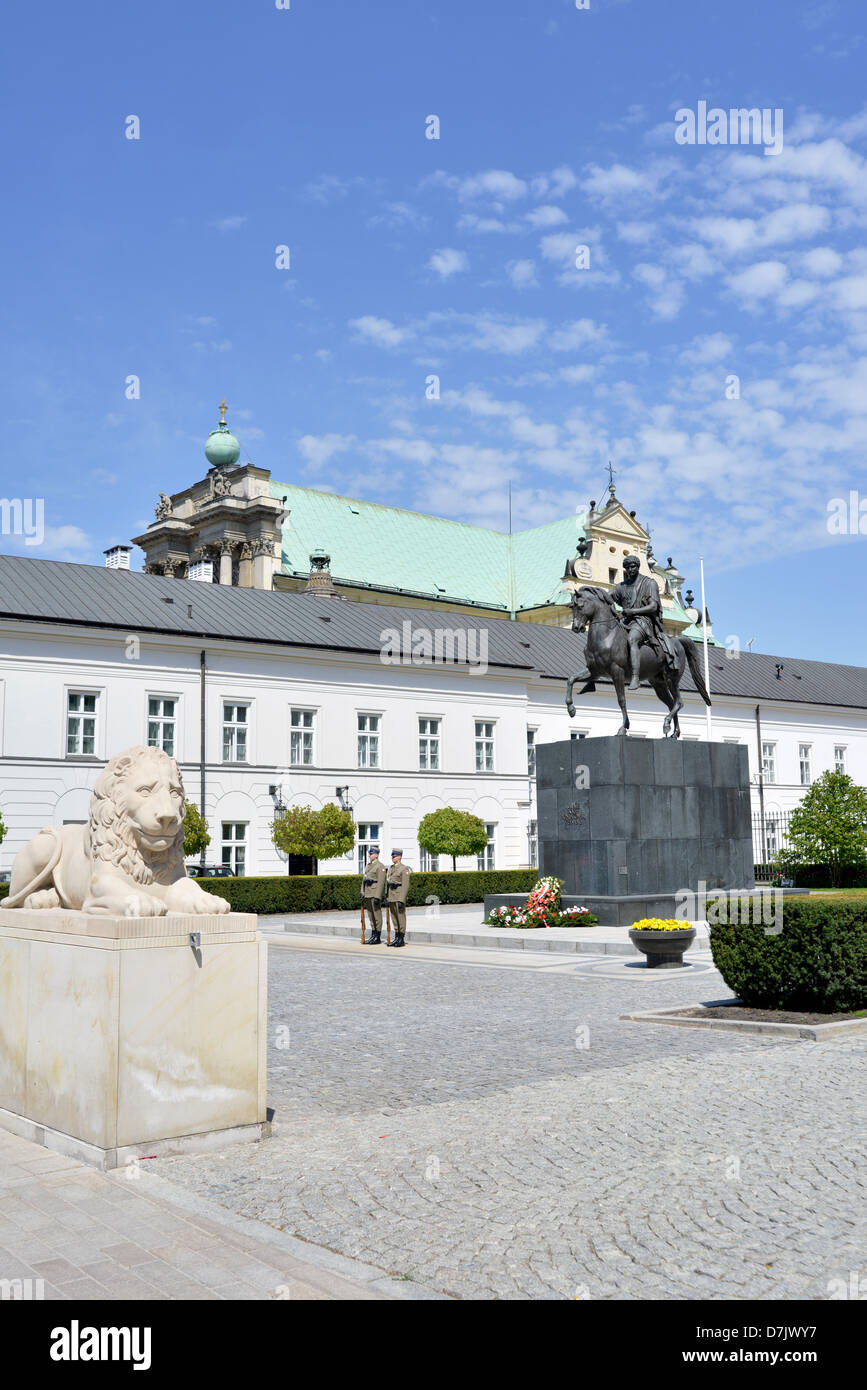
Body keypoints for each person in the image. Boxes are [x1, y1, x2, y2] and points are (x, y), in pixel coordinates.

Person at [609, 554, 677, 691]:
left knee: (632, 639)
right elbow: (607, 596)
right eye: (627, 567)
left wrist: (633, 612)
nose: (630, 570)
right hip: (625, 621)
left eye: (632, 566)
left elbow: (653, 607)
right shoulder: (621, 586)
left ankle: (635, 677)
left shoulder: (649, 583)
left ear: (638, 566)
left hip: (644, 621)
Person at [361, 846, 387, 945]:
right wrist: (362, 891)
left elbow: (381, 882)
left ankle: (377, 936)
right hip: (368, 893)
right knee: (371, 915)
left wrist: (378, 896)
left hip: (374, 893)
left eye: (371, 854)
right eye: (369, 854)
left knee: (377, 915)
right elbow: (364, 880)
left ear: (376, 855)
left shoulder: (380, 866)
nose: (369, 855)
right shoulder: (368, 866)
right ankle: (373, 934)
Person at [385, 849, 411, 948]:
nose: (393, 858)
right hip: (391, 896)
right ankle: (396, 937)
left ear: (400, 857)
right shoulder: (391, 868)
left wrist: (401, 899)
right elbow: (387, 883)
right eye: (392, 856)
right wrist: (386, 896)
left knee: (400, 917)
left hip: (399, 896)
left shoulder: (404, 869)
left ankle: (401, 938)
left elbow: (405, 885)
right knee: (394, 918)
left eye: (394, 856)